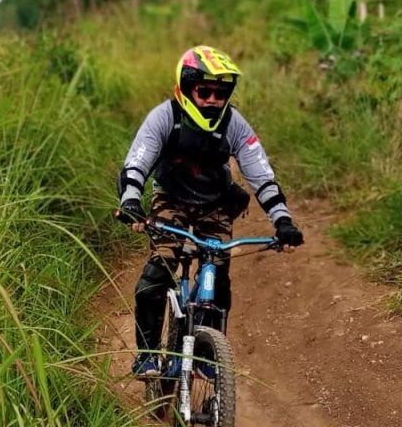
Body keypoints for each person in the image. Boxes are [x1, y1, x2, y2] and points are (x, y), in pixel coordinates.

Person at [115, 45, 304, 378]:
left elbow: (261, 175)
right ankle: (146, 355)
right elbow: (137, 163)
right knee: (156, 275)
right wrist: (130, 201)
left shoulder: (235, 124)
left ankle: (207, 353)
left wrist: (283, 221)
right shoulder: (165, 116)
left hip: (216, 205)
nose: (213, 100)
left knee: (218, 279)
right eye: (205, 91)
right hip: (170, 201)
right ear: (187, 88)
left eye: (221, 92)